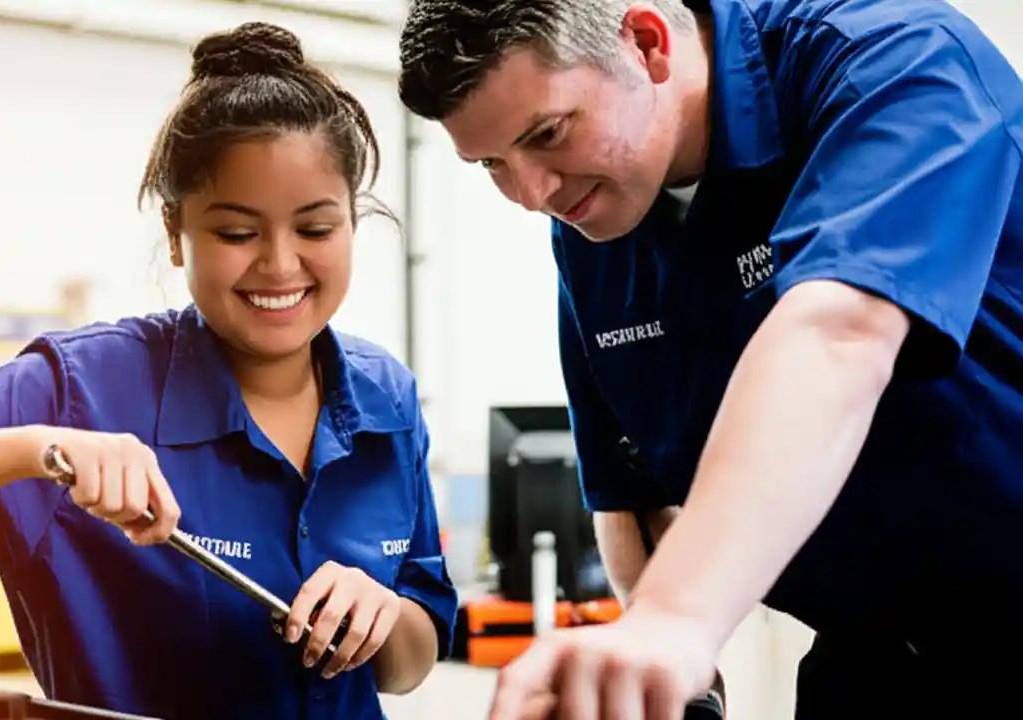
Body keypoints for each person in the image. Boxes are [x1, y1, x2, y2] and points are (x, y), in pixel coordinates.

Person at [0, 21, 457, 720]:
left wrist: (379, 614)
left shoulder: (388, 398)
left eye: (317, 229)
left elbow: (409, 664)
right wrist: (37, 450)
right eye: (236, 232)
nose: (281, 265)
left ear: (354, 221)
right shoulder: (87, 390)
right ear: (176, 235)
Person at [398, 0, 1023, 718]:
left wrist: (676, 620)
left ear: (645, 42)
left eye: (547, 135)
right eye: (491, 167)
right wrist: (669, 679)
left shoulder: (891, 63)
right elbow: (630, 484)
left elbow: (839, 332)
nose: (532, 194)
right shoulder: (594, 218)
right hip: (874, 653)